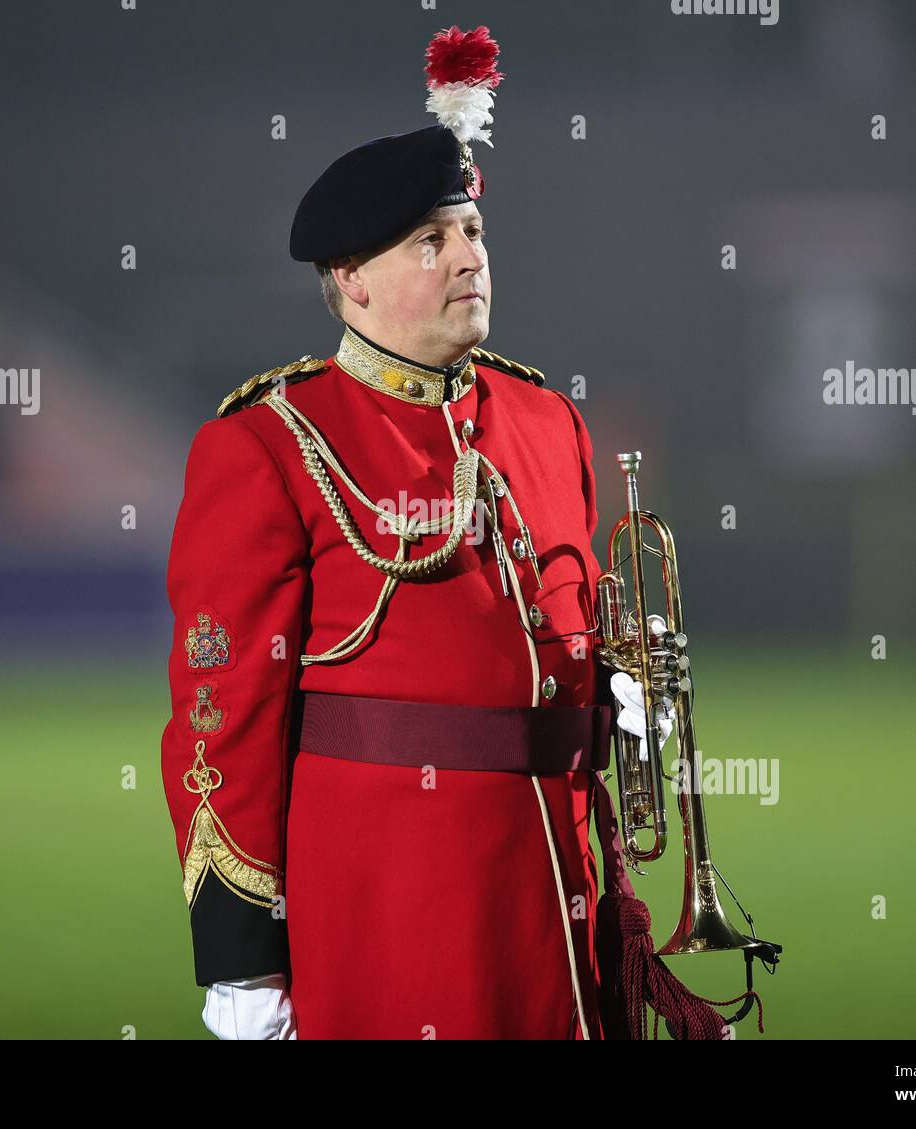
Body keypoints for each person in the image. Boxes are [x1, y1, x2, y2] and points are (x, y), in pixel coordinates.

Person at [160, 25, 718, 1040]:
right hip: (388, 912)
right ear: (350, 275)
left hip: (565, 892)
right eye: (431, 239)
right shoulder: (268, 443)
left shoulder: (548, 420)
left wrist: (620, 696)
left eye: (473, 232)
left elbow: (565, 632)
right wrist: (242, 966)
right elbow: (218, 719)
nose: (469, 257)